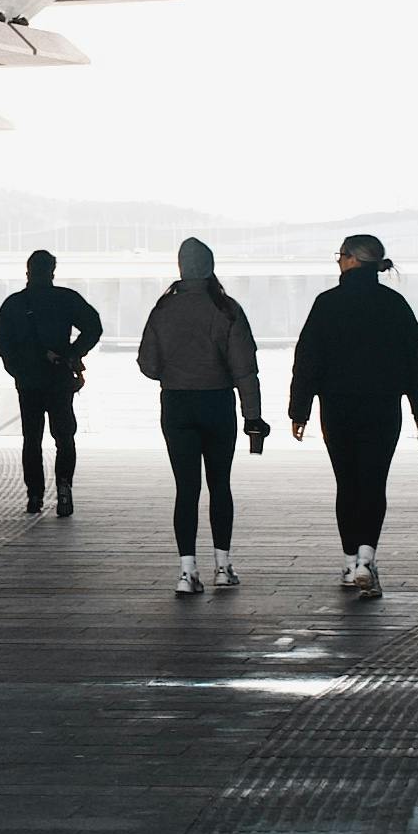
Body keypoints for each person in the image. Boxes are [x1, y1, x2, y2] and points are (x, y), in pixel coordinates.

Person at [288, 232, 418, 595]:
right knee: (373, 482)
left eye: (340, 255)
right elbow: (417, 359)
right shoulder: (394, 304)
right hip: (383, 407)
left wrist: (300, 410)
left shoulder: (326, 303)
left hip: (337, 408)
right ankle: (366, 558)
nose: (338, 260)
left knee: (347, 482)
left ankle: (349, 561)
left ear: (354, 259)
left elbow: (307, 360)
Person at [128, 235, 267, 595]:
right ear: (210, 268)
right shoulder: (227, 309)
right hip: (218, 405)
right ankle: (223, 567)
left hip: (176, 405)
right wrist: (252, 416)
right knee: (220, 485)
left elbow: (147, 365)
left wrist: (176, 370)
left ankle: (187, 573)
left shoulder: (163, 310)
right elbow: (245, 370)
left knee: (186, 488)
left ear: (180, 268)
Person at [0, 246, 101, 515]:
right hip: (60, 379)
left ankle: (34, 496)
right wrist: (73, 354)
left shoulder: (14, 304)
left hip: (28, 383)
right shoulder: (66, 299)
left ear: (27, 271)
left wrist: (18, 370)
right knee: (64, 437)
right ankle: (64, 490)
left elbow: (3, 344)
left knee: (32, 439)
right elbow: (93, 327)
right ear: (52, 271)